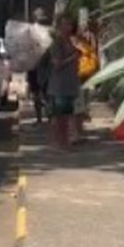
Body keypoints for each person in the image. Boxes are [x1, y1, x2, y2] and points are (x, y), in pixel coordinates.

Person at [45, 13, 82, 148]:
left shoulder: (70, 41)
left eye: (70, 24)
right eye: (66, 24)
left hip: (70, 85)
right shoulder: (57, 43)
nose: (69, 27)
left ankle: (65, 142)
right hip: (59, 86)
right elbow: (57, 64)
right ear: (60, 26)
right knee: (58, 117)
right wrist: (73, 57)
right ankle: (57, 142)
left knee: (67, 115)